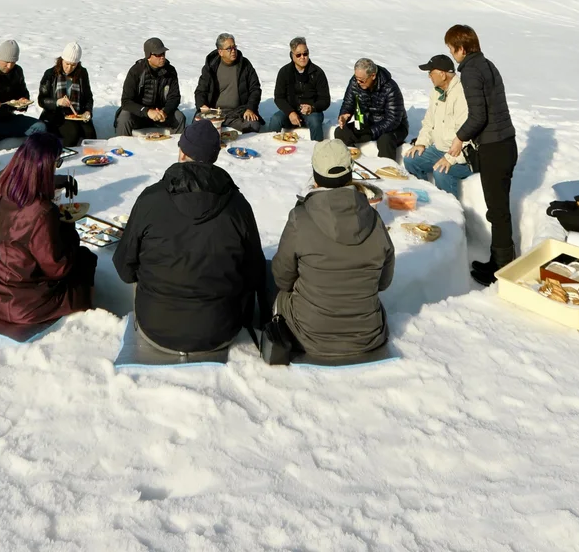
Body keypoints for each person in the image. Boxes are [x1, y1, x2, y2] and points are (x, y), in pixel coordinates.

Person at [114, 119, 266, 353]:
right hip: (220, 328)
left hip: (156, 328)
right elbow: (254, 274)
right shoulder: (238, 206)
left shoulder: (150, 199)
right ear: (214, 157)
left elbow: (125, 268)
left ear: (182, 153)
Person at [0, 131, 96, 335]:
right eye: (54, 165)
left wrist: (58, 180)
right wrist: (69, 231)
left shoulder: (0, 185)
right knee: (85, 260)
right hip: (27, 304)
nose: (55, 169)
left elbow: (28, 177)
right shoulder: (42, 212)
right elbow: (57, 268)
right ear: (44, 168)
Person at [272, 139, 395, 363]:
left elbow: (282, 279)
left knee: (274, 286)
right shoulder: (374, 218)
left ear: (315, 176)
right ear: (350, 173)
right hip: (369, 336)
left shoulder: (300, 217)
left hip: (309, 336)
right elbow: (383, 283)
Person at [443, 24, 518, 284]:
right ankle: (504, 261)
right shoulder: (487, 64)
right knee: (500, 210)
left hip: (494, 148)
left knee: (497, 212)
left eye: (452, 49)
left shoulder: (472, 72)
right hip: (506, 143)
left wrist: (459, 139)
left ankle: (500, 268)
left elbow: (478, 116)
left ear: (461, 48)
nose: (453, 55)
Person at [403, 54, 473, 200]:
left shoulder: (462, 94)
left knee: (441, 172)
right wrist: (422, 142)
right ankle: (426, 199)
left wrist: (450, 159)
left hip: (462, 156)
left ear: (442, 74)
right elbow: (429, 121)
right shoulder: (436, 92)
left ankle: (451, 213)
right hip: (440, 148)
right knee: (411, 159)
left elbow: (467, 133)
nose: (429, 76)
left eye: (430, 72)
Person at [334, 58, 408, 157]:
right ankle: (352, 159)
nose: (358, 82)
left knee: (385, 140)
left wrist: (371, 131)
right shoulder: (355, 82)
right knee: (341, 132)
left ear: (373, 76)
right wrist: (344, 115)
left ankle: (386, 168)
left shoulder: (390, 88)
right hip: (367, 123)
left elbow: (393, 120)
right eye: (356, 78)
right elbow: (348, 102)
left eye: (361, 80)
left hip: (394, 127)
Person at [114, 37, 185, 137]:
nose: (162, 57)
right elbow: (126, 101)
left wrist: (165, 111)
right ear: (148, 56)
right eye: (158, 54)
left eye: (163, 53)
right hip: (139, 114)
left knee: (179, 117)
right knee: (124, 117)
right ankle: (121, 148)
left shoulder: (170, 71)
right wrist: (147, 111)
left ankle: (179, 149)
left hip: (161, 115)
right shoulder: (136, 71)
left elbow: (174, 97)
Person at [194, 32, 264, 133]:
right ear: (220, 52)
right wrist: (202, 105)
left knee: (253, 125)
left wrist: (250, 108)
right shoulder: (211, 67)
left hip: (238, 113)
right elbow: (200, 90)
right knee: (197, 128)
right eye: (229, 48)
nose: (233, 51)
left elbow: (255, 89)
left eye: (234, 47)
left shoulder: (244, 65)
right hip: (214, 113)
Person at [267, 37, 331, 141]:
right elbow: (279, 97)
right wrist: (290, 112)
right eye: (298, 55)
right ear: (292, 55)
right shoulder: (284, 72)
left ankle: (317, 148)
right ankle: (271, 145)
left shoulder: (317, 73)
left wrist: (312, 108)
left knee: (315, 120)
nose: (302, 57)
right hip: (290, 111)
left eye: (305, 54)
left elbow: (325, 100)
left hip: (312, 113)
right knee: (275, 119)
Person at [38, 42, 97, 145]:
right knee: (72, 133)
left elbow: (88, 96)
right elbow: (42, 100)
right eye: (67, 64)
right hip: (56, 114)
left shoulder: (82, 73)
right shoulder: (50, 74)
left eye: (73, 65)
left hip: (77, 113)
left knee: (90, 134)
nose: (69, 68)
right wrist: (57, 102)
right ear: (62, 60)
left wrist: (88, 111)